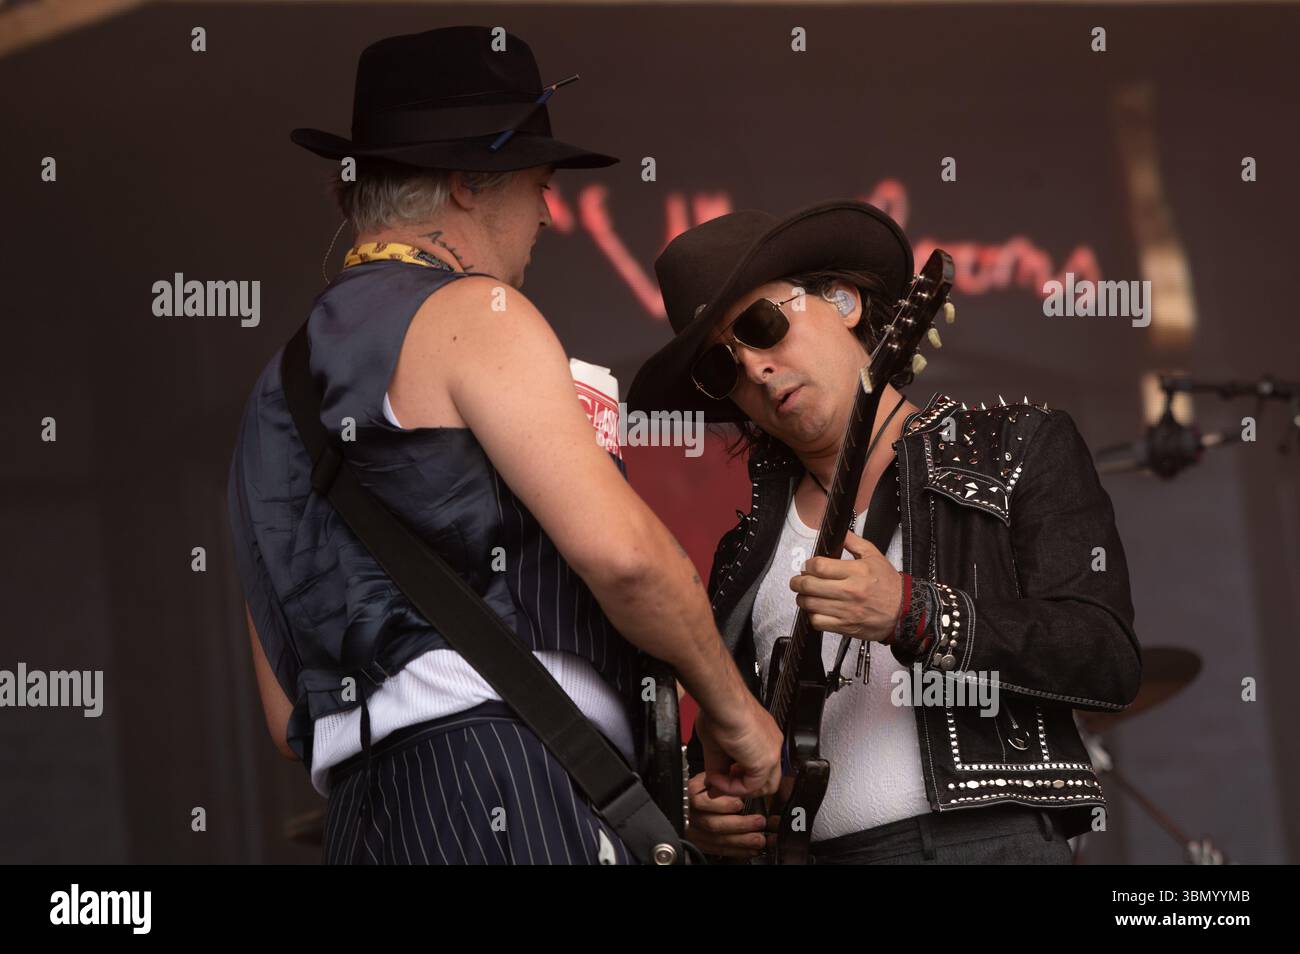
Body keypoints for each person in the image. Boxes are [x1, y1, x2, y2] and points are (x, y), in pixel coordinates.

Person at [227, 26, 780, 865]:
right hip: (507, 781)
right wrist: (736, 713)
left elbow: (282, 719)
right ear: (465, 186)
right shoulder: (473, 313)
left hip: (363, 823)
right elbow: (626, 559)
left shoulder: (267, 405)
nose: (550, 215)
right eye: (538, 185)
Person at [627, 199, 1142, 864]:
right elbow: (735, 746)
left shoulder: (1018, 446)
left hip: (987, 846)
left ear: (843, 302)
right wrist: (704, 810)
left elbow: (1107, 658)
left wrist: (914, 610)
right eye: (722, 367)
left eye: (762, 325)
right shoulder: (744, 551)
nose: (755, 369)